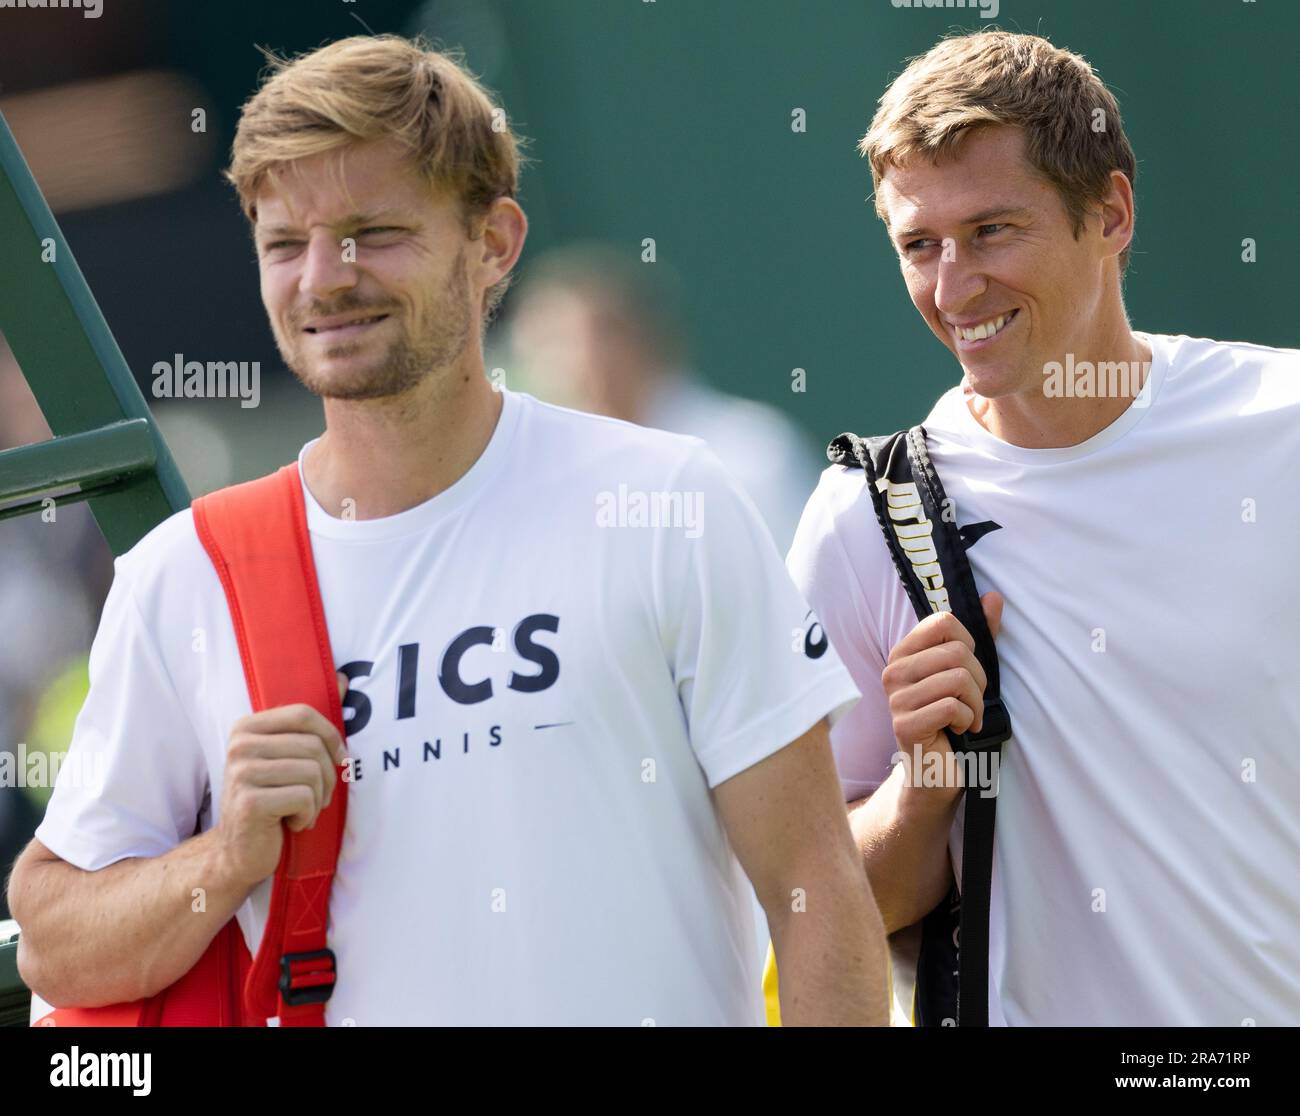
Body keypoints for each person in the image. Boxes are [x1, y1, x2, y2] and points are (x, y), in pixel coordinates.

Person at [6, 33, 886, 1027]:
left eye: (373, 231)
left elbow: (815, 893)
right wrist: (224, 859)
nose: (324, 280)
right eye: (284, 243)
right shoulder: (186, 575)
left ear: (494, 242)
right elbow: (56, 943)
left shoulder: (668, 500)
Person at [784, 30, 1300, 1025]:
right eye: (917, 245)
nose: (952, 287)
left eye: (992, 231)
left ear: (1108, 213)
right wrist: (923, 788)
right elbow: (814, 902)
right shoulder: (868, 517)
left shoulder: (1282, 426)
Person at [507, 245, 820, 553]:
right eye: (534, 349)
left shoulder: (750, 454)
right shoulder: (546, 487)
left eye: (559, 343)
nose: (546, 368)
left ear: (627, 341)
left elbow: (805, 595)